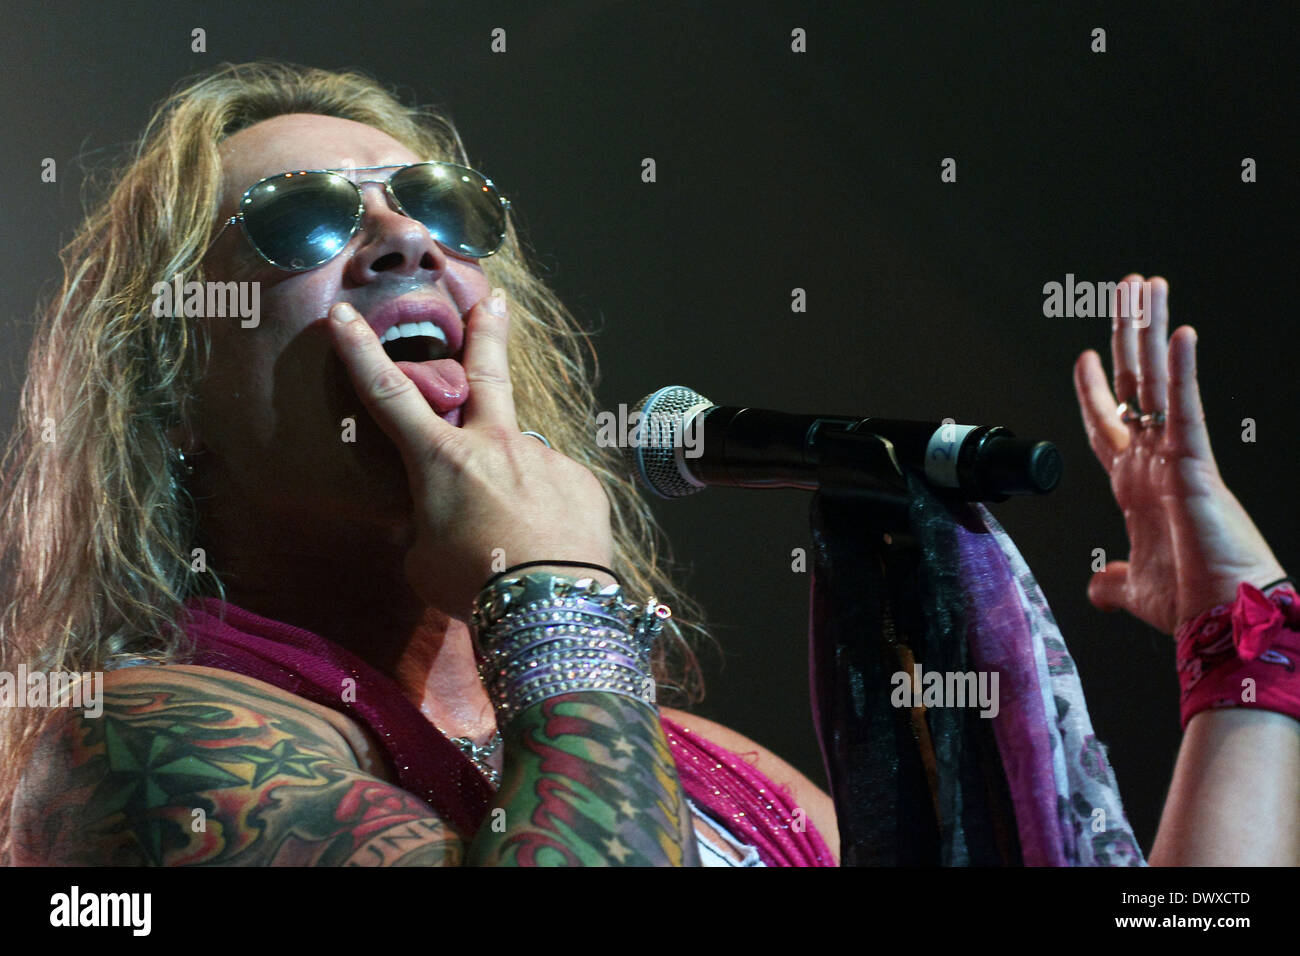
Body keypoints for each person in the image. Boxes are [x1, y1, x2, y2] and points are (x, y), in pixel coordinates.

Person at [0, 62, 1294, 866]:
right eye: (305, 220)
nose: (402, 239)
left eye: (441, 208)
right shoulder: (142, 747)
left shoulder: (705, 773)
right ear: (168, 388)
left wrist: (1245, 643)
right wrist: (553, 592)